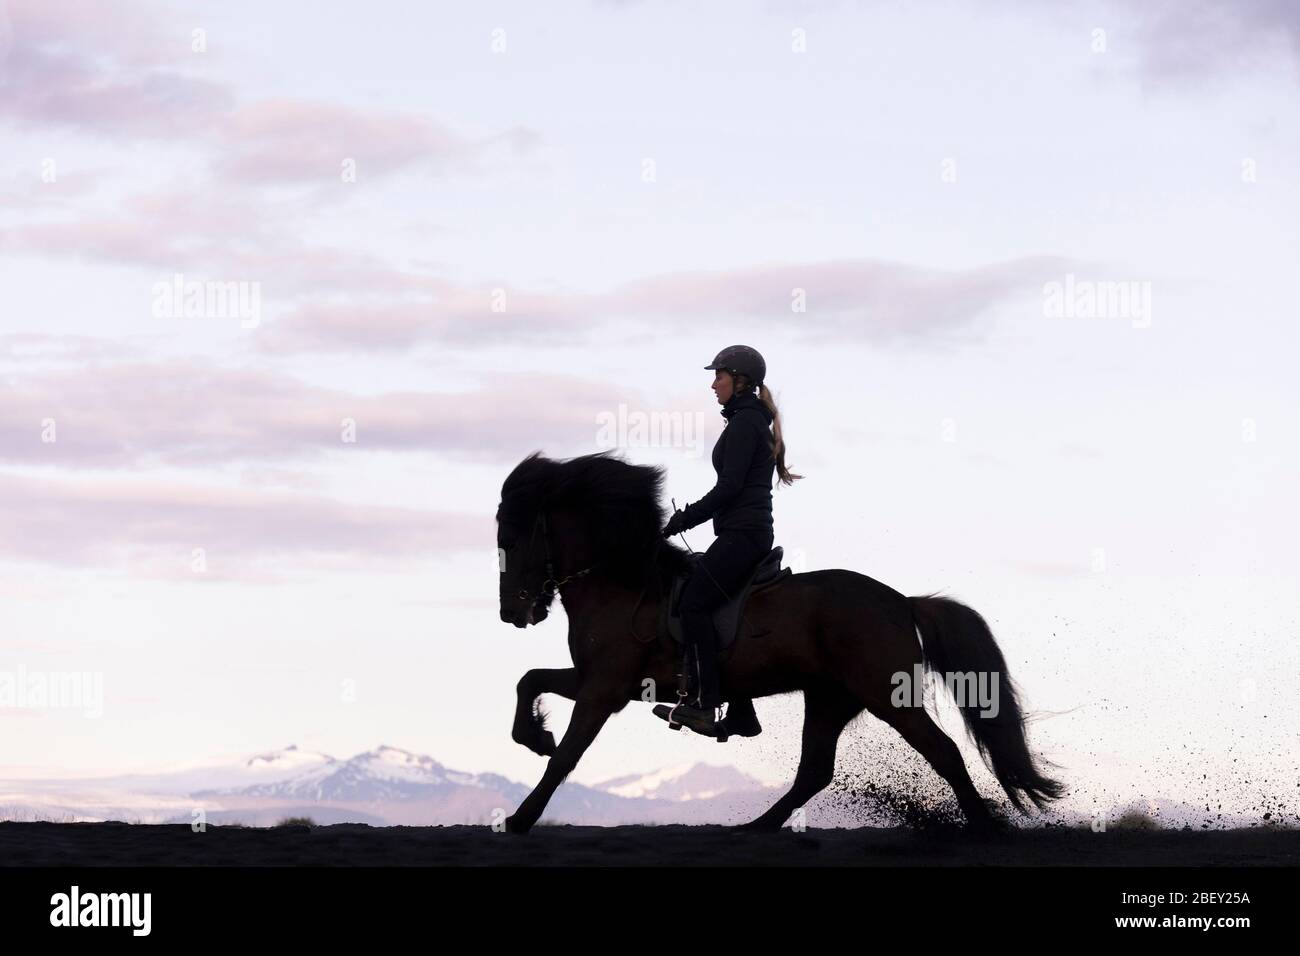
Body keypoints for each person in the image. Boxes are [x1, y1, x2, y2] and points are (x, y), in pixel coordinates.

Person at [660, 345, 802, 739]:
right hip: (743, 533)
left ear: (738, 380)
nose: (713, 384)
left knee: (694, 604)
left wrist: (683, 519)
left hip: (744, 536)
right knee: (715, 601)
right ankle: (741, 712)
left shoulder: (744, 424)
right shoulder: (746, 419)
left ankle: (704, 706)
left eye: (718, 376)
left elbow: (729, 489)